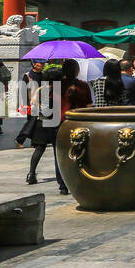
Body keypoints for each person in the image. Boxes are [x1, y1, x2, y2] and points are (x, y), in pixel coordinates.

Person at [27, 59, 92, 194]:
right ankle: (79, 180)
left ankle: (63, 185)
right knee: (80, 152)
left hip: (59, 123)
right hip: (78, 123)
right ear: (77, 70)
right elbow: (88, 107)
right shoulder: (83, 86)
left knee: (59, 154)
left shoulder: (56, 85)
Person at [14, 61, 45, 146]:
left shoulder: (43, 75)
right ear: (34, 64)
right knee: (31, 121)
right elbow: (23, 90)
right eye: (41, 63)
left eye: (43, 63)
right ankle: (19, 139)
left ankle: (33, 142)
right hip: (31, 103)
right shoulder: (27, 75)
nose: (43, 65)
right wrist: (25, 104)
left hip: (41, 102)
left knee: (35, 122)